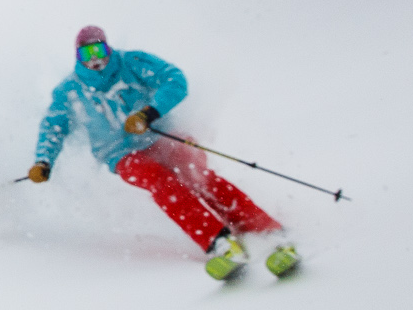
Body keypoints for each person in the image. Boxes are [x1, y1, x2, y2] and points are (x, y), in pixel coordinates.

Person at [26, 25, 299, 280]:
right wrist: (43, 161)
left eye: (100, 51)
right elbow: (53, 127)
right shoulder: (69, 91)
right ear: (77, 56)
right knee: (160, 181)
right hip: (119, 153)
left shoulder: (131, 63)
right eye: (88, 53)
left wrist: (149, 112)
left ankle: (265, 229)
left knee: (197, 174)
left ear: (108, 49)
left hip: (158, 133)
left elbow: (175, 80)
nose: (96, 59)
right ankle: (217, 240)